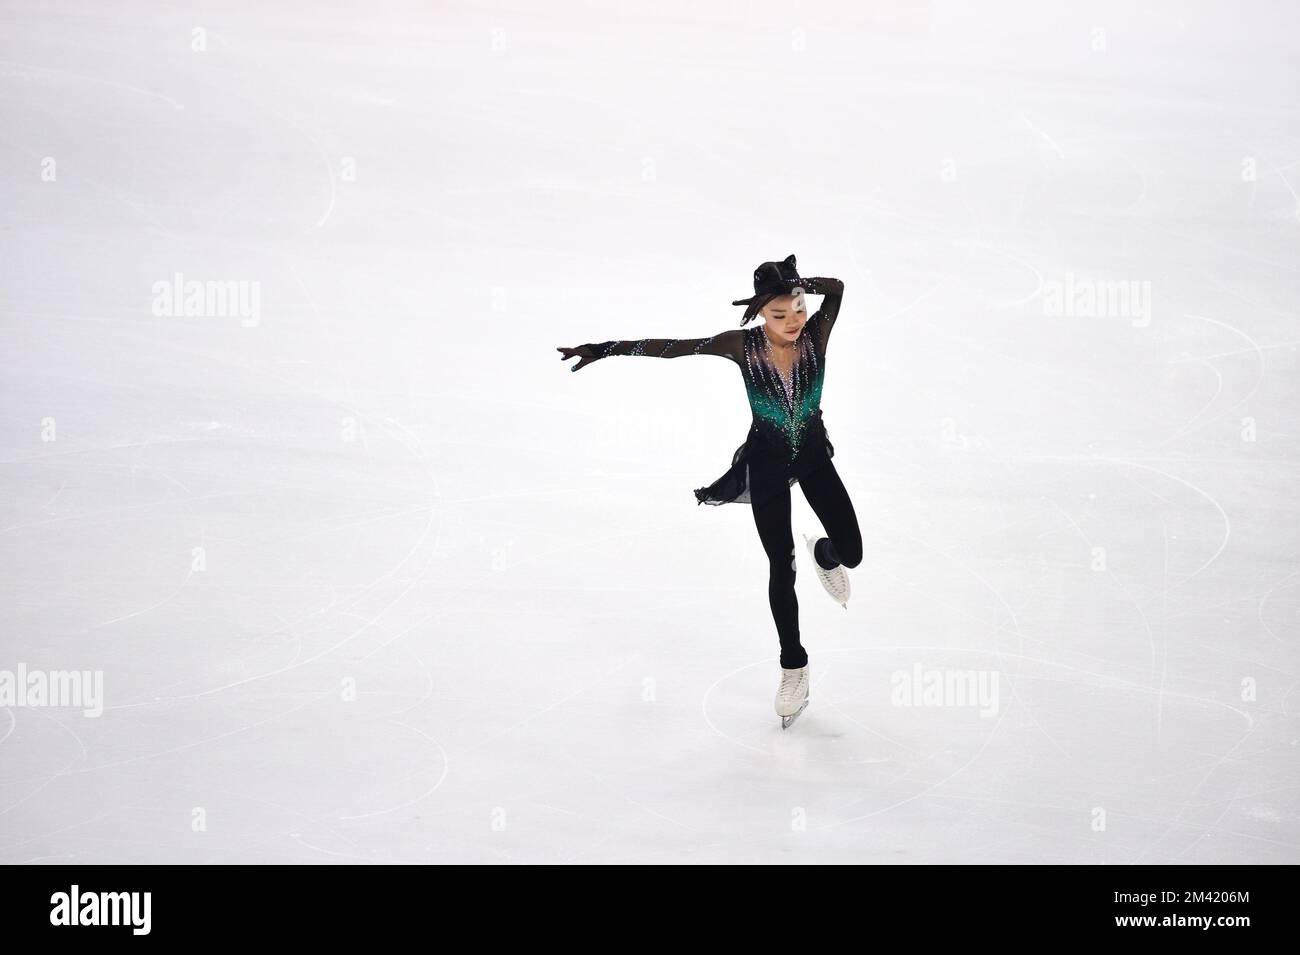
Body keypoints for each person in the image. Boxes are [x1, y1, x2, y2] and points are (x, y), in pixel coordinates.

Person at [557, 254, 862, 729]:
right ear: (761, 313)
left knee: (853, 553)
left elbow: (837, 287)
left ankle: (825, 554)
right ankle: (793, 665)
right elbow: (674, 347)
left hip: (812, 456)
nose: (794, 322)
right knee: (780, 564)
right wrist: (605, 347)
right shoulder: (741, 346)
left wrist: (801, 282)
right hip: (765, 461)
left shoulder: (817, 334)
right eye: (780, 314)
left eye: (799, 308)